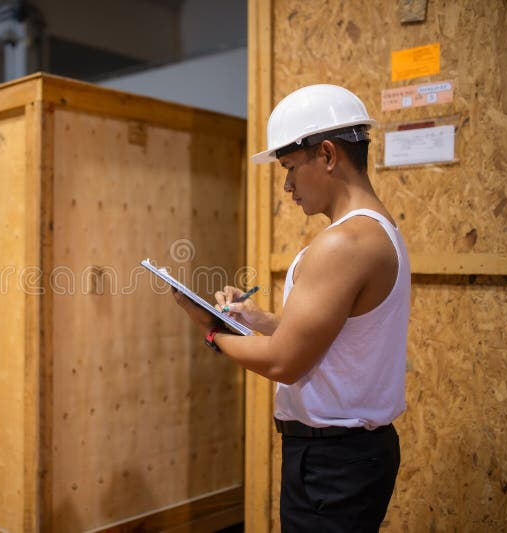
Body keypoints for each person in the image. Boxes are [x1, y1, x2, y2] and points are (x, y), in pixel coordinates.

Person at [172, 84, 409, 532]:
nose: (286, 186)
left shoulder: (345, 243)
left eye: (289, 168)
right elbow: (335, 338)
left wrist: (210, 331)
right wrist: (256, 320)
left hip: (333, 463)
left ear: (327, 155)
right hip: (345, 458)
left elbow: (284, 362)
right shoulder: (378, 229)